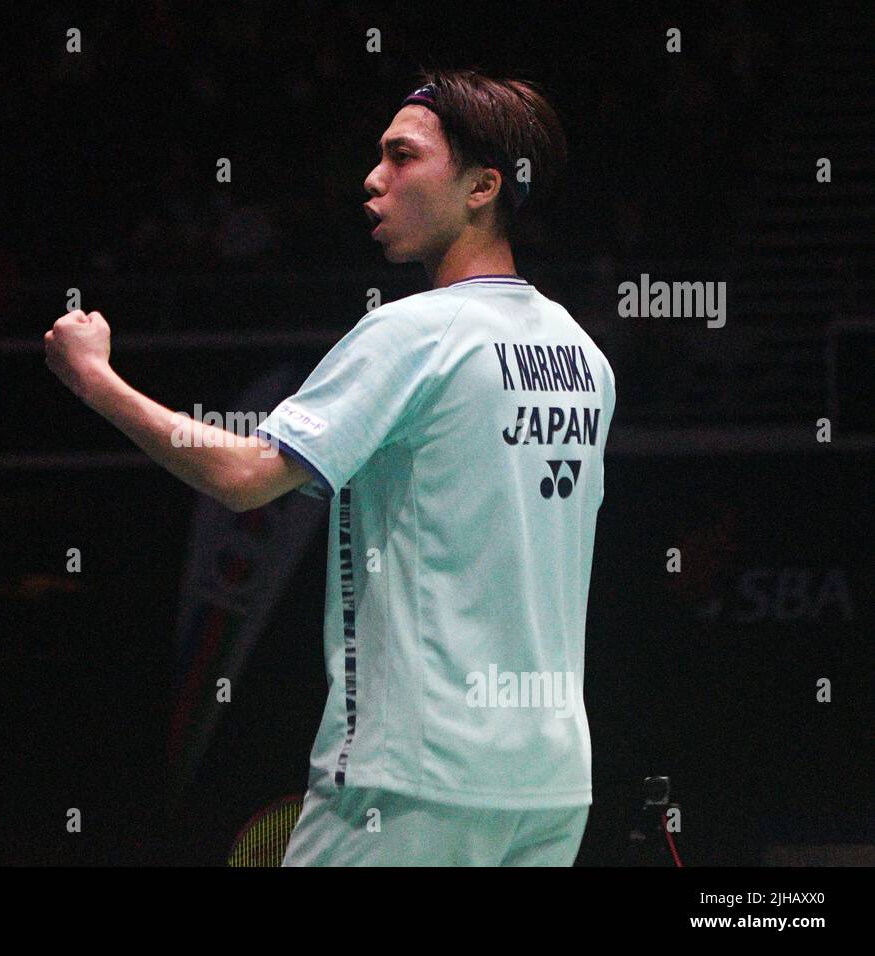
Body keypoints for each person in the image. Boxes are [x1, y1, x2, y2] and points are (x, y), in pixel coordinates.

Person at [44, 69, 616, 866]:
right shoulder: (582, 356)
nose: (373, 179)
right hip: (549, 786)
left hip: (411, 777)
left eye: (403, 157)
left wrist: (96, 382)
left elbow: (247, 476)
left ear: (484, 186)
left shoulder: (415, 333)